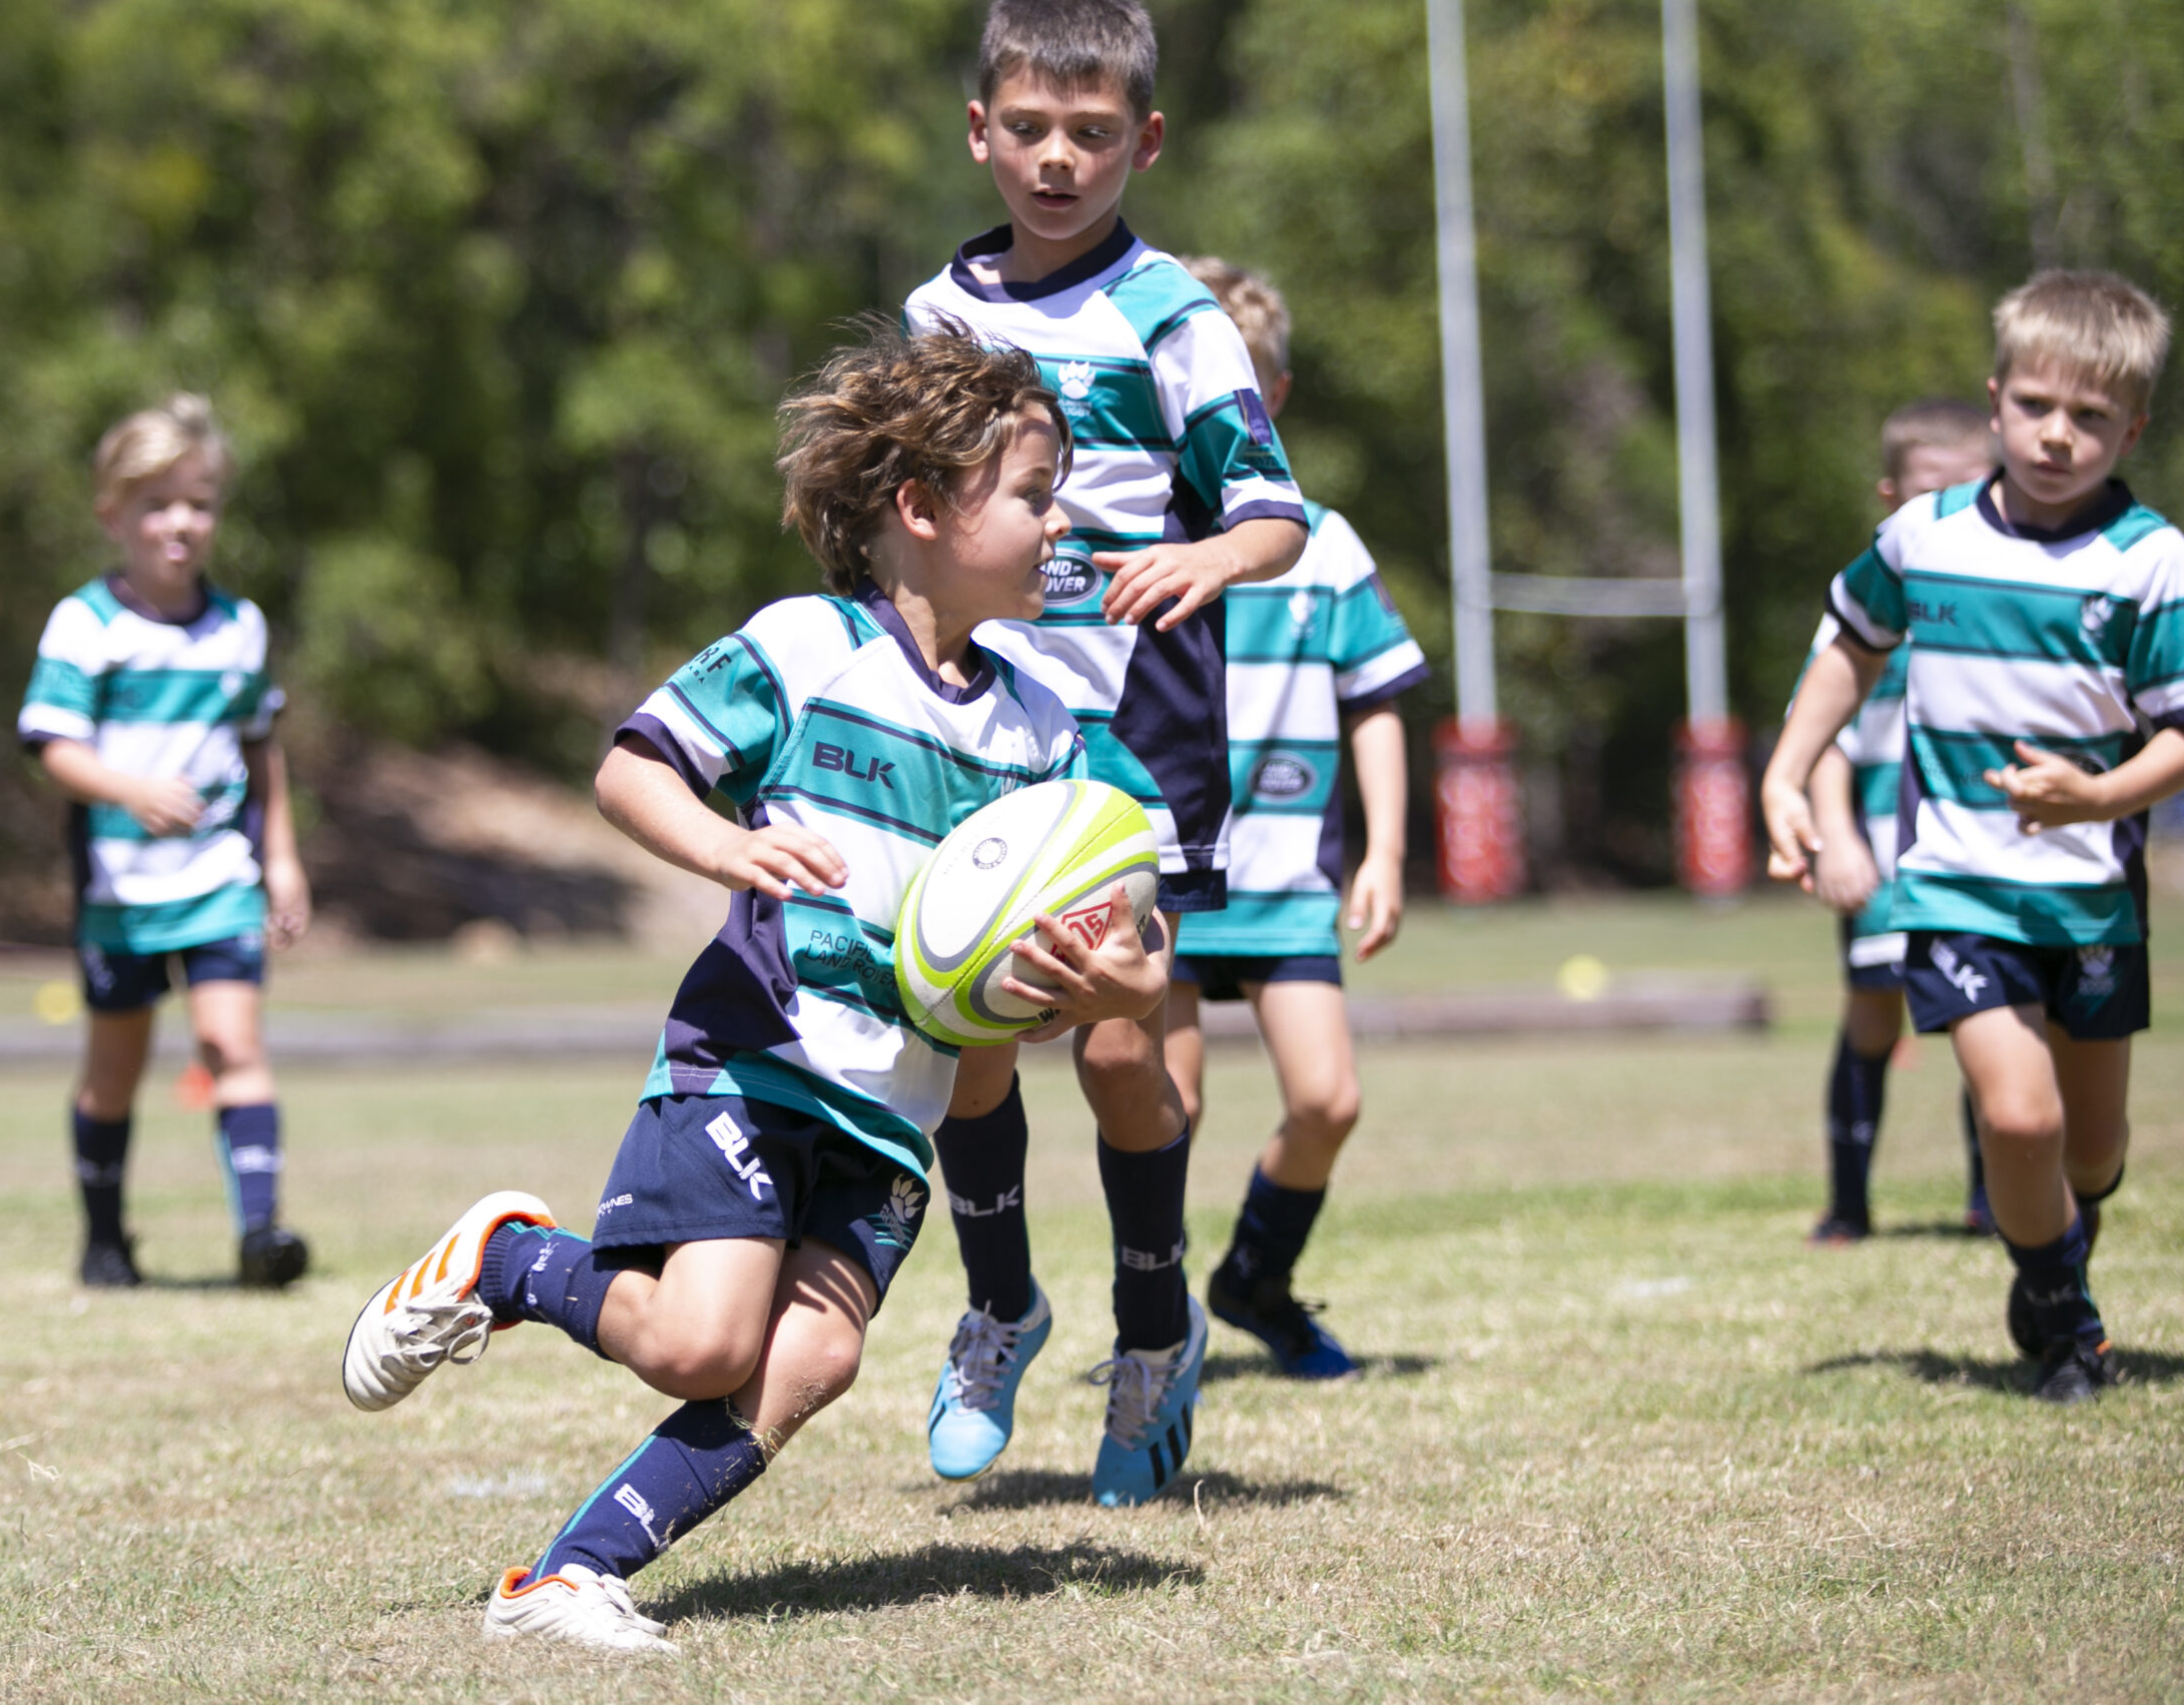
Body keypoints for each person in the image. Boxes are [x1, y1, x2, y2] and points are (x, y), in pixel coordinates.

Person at [340, 326, 1166, 1654]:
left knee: (812, 1361)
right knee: (698, 1343)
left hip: (894, 1111)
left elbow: (1099, 929)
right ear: (920, 509)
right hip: (758, 1054)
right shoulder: (805, 647)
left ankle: (565, 1578)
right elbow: (633, 767)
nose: (1055, 515)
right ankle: (505, 1259)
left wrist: (1111, 979)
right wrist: (727, 844)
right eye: (1029, 489)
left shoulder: (1044, 733)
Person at [905, 0, 1308, 1505]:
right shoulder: (936, 318)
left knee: (1123, 1039)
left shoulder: (1176, 319)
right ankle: (1003, 1301)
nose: (1055, 158)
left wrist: (1212, 562)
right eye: (1028, 127)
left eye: (1089, 133)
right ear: (981, 131)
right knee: (969, 1038)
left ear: (1143, 139)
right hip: (972, 724)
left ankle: (1154, 1327)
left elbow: (1275, 511)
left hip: (1135, 734)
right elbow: (907, 520)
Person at [1765, 272, 2184, 1403]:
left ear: (2132, 427)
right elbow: (1849, 649)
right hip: (1955, 887)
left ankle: (2053, 1245)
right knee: (2019, 1114)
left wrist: (2098, 800)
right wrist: (1787, 772)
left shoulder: (2149, 562)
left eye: (2092, 417)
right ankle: (2064, 1324)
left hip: (2091, 900)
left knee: (2090, 1153)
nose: (2059, 436)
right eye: (2037, 408)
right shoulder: (1924, 536)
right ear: (1996, 398)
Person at [1157, 258, 1426, 1378]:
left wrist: (1387, 853)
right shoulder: (1132, 540)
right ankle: (1153, 1318)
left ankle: (1254, 1280)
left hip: (1283, 885)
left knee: (1327, 1098)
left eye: (1244, 381)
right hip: (1159, 879)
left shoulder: (1323, 545)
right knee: (1162, 1110)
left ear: (1275, 396)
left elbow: (1373, 705)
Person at [17, 395, 313, 1290]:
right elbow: (51, 744)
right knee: (116, 1068)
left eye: (198, 501)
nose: (180, 522)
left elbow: (263, 750)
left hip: (218, 874)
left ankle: (260, 1237)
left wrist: (283, 858)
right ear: (114, 514)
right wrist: (129, 789)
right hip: (119, 886)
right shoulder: (86, 624)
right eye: (156, 503)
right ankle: (105, 1240)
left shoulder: (238, 629)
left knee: (232, 1044)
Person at [1801, 401, 1997, 1246]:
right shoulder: (1871, 606)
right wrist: (1835, 837)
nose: (1951, 505)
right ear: (1891, 496)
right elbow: (1825, 738)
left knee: (1993, 1019)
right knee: (1874, 1018)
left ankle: (1993, 1197)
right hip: (1884, 858)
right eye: (1931, 489)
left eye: (1971, 485)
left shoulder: (2007, 599)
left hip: (1984, 853)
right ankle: (1849, 1202)